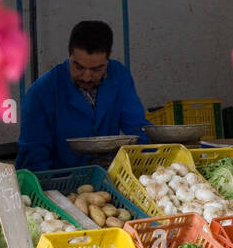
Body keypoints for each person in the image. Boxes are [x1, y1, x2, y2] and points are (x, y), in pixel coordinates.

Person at [16, 20, 149, 171]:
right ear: (69, 54)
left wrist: (151, 164)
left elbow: (138, 128)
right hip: (58, 182)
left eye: (97, 69)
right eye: (78, 67)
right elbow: (33, 156)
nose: (86, 77)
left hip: (106, 178)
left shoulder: (119, 76)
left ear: (108, 58)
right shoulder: (41, 93)